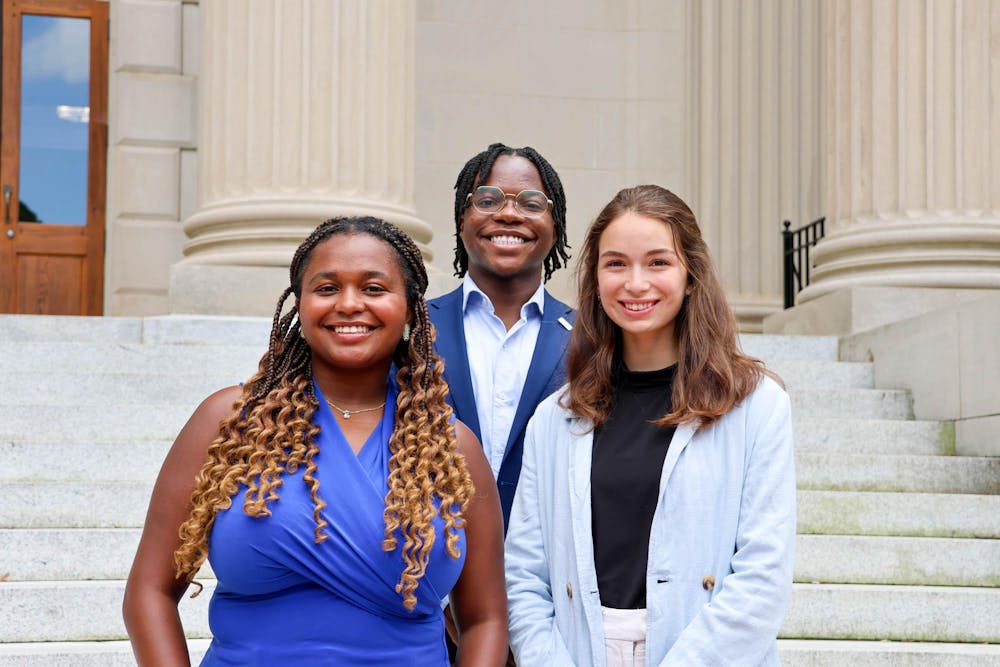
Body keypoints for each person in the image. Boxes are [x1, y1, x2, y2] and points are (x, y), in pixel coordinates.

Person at [123, 217, 508, 666]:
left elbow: (485, 620)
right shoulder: (230, 423)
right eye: (326, 288)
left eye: (374, 288)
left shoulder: (451, 448)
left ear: (409, 309)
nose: (349, 304)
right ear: (299, 304)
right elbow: (149, 592)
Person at [504, 185, 796, 666]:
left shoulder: (757, 406)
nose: (635, 283)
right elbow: (525, 575)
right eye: (616, 264)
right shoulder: (554, 418)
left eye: (658, 262)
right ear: (595, 280)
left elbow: (763, 575)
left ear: (690, 275)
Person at [428, 142, 574, 530]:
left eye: (531, 203)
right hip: (425, 568)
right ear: (462, 219)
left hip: (546, 574)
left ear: (555, 226)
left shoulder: (592, 338)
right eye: (488, 200)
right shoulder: (411, 329)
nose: (509, 213)